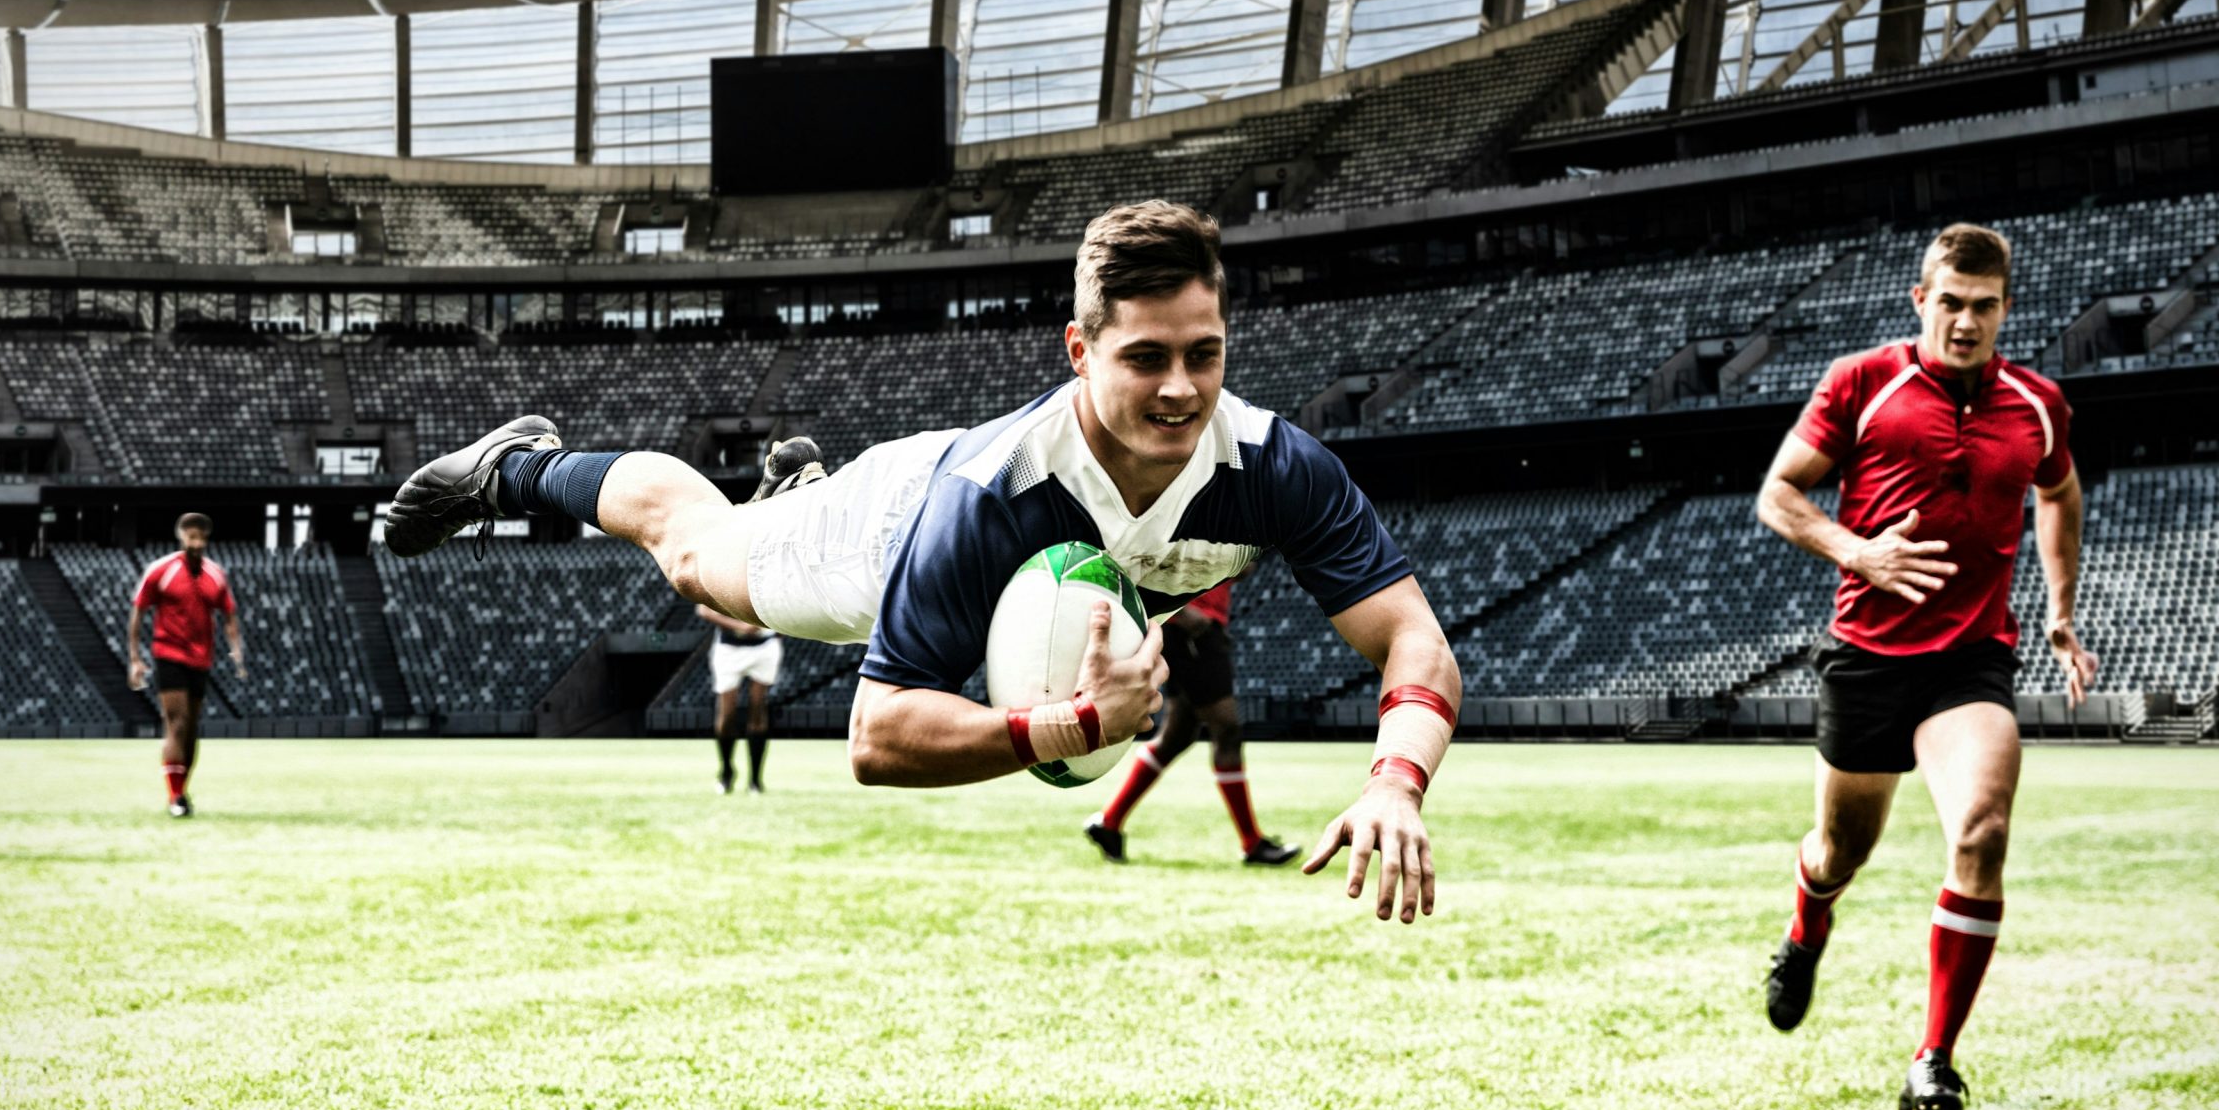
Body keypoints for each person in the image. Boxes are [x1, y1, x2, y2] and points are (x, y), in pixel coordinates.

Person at [385, 200, 1460, 923]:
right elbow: (879, 735)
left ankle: (789, 483)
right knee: (696, 554)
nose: (1181, 388)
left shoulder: (1276, 464)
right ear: (1081, 353)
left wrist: (1395, 780)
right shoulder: (991, 496)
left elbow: (1409, 635)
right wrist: (1075, 726)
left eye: (1204, 352)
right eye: (1145, 358)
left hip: (1039, 565)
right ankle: (519, 466)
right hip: (888, 525)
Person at [1755, 222, 2096, 1110]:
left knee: (1981, 834)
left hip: (1971, 659)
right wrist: (1854, 550)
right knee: (1840, 854)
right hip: (1867, 655)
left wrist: (2059, 613)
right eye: (1950, 303)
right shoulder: (1863, 382)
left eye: (1985, 307)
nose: (1966, 322)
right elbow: (1779, 493)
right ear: (1921, 301)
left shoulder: (2037, 403)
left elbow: (2059, 493)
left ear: (2005, 310)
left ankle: (1933, 1059)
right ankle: (1806, 926)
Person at [1082, 576, 1297, 866]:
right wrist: (1183, 613)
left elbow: (1245, 566)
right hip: (1192, 628)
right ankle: (1252, 842)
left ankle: (1109, 823)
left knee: (1177, 736)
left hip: (1195, 627)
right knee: (1228, 729)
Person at [126, 513, 247, 820]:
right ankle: (175, 796)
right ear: (181, 538)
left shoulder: (216, 575)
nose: (195, 543)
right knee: (177, 724)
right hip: (168, 654)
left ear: (206, 540)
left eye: (200, 538)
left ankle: (181, 790)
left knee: (191, 730)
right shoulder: (161, 571)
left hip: (201, 659)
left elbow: (229, 615)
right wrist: (136, 658)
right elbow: (138, 613)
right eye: (190, 537)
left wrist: (236, 650)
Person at [697, 602, 782, 793]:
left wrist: (780, 627)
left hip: (764, 647)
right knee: (727, 716)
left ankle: (755, 781)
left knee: (758, 710)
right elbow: (704, 610)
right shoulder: (722, 573)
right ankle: (727, 771)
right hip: (729, 649)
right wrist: (742, 627)